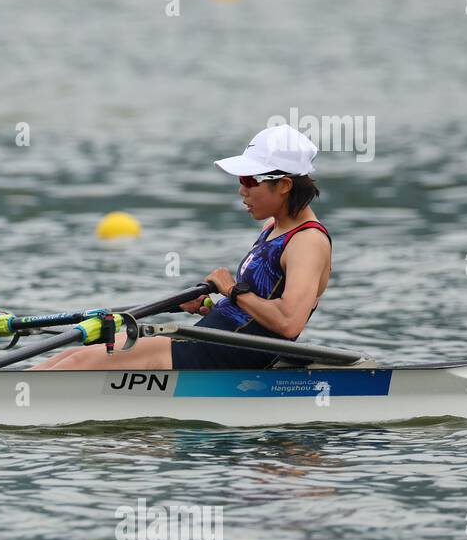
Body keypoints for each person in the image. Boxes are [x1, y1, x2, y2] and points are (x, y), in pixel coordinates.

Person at [34, 124, 331, 371]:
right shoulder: (273, 228)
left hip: (226, 356)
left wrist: (232, 290)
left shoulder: (308, 242)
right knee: (76, 354)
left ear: (284, 185)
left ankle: (5, 402)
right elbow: (258, 304)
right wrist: (214, 305)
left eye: (249, 180)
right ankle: (4, 392)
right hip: (212, 339)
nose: (241, 189)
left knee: (82, 362)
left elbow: (289, 323)